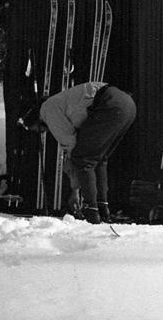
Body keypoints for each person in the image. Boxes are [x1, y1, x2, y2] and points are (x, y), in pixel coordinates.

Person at [18, 82, 136, 224]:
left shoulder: (47, 110)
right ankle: (102, 207)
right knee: (99, 159)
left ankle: (91, 210)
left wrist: (75, 191)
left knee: (83, 159)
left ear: (35, 120)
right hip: (127, 105)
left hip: (109, 104)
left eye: (37, 130)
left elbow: (72, 147)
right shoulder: (59, 102)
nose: (42, 132)